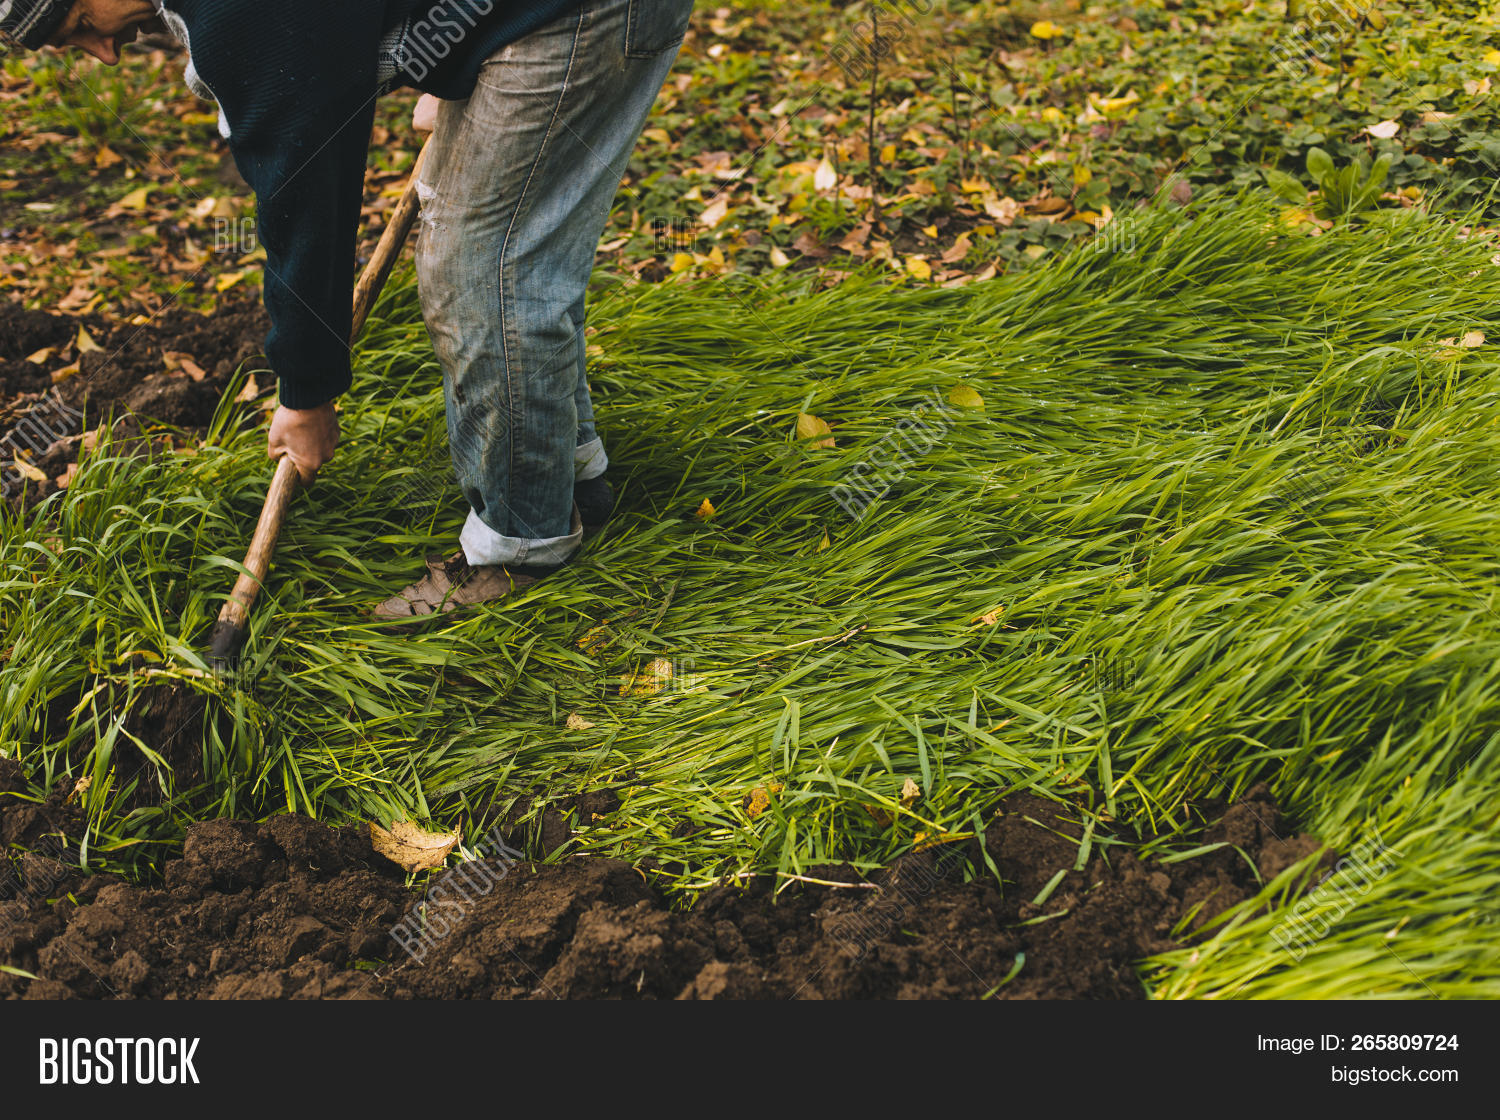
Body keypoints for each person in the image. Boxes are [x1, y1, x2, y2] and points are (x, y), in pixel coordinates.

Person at [1, 0, 695, 618]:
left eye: (80, 25)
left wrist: (306, 395)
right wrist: (455, 51)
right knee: (520, 255)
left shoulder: (237, 14)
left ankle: (521, 546)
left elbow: (305, 196)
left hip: (569, 16)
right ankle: (570, 476)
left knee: (482, 271)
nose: (102, 50)